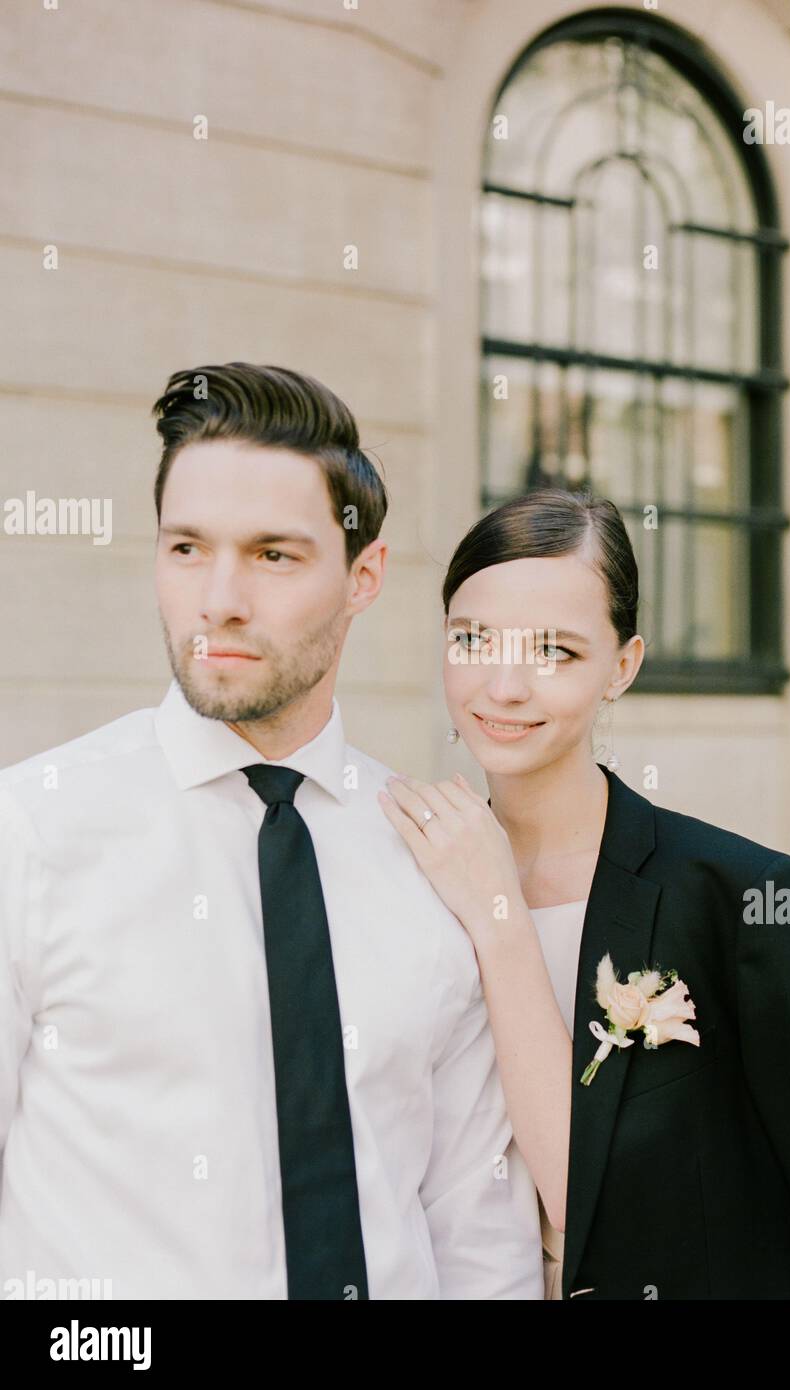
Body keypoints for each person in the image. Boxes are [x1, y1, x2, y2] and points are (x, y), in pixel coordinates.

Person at [0, 362, 544, 1300]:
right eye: (185, 549)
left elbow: (474, 1223)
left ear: (363, 575)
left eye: (273, 555)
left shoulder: (431, 854)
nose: (219, 600)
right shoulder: (33, 831)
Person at [379, 487, 790, 1301]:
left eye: (553, 650)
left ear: (622, 667)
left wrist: (501, 919)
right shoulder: (405, 886)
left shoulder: (749, 904)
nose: (504, 686)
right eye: (473, 639)